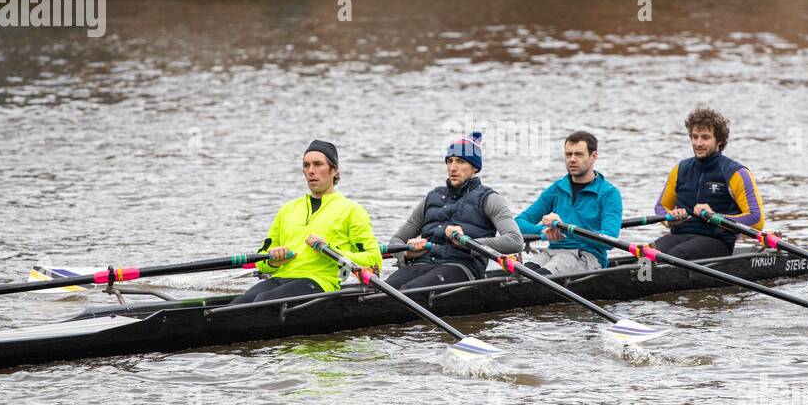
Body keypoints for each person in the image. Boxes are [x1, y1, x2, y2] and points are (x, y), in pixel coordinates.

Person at [233, 140, 382, 304]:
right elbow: (260, 263)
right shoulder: (287, 209)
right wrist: (273, 261)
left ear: (334, 170)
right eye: (306, 165)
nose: (311, 171)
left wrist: (330, 250)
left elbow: (374, 261)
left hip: (319, 282)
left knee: (264, 300)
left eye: (318, 164)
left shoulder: (352, 210)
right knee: (241, 302)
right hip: (281, 278)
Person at [387, 132, 524, 290]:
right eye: (449, 161)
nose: (453, 167)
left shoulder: (490, 199)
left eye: (460, 161)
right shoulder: (431, 198)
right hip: (422, 263)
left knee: (409, 291)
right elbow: (396, 241)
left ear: (474, 168)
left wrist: (468, 243)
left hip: (461, 267)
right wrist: (406, 254)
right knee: (384, 289)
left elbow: (515, 241)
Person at [653, 106, 764, 260]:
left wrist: (714, 216)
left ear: (719, 140)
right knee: (647, 253)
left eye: (705, 137)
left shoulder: (736, 173)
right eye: (694, 136)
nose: (698, 143)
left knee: (673, 257)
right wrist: (670, 218)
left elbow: (757, 220)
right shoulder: (680, 169)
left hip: (717, 242)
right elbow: (660, 207)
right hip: (681, 235)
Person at [514, 130, 622, 274]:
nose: (572, 159)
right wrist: (543, 232)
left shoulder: (609, 193)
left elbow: (609, 239)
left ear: (593, 156)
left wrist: (564, 229)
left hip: (587, 257)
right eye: (568, 154)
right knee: (520, 275)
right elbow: (518, 222)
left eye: (578, 154)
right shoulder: (556, 189)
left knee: (539, 278)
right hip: (552, 252)